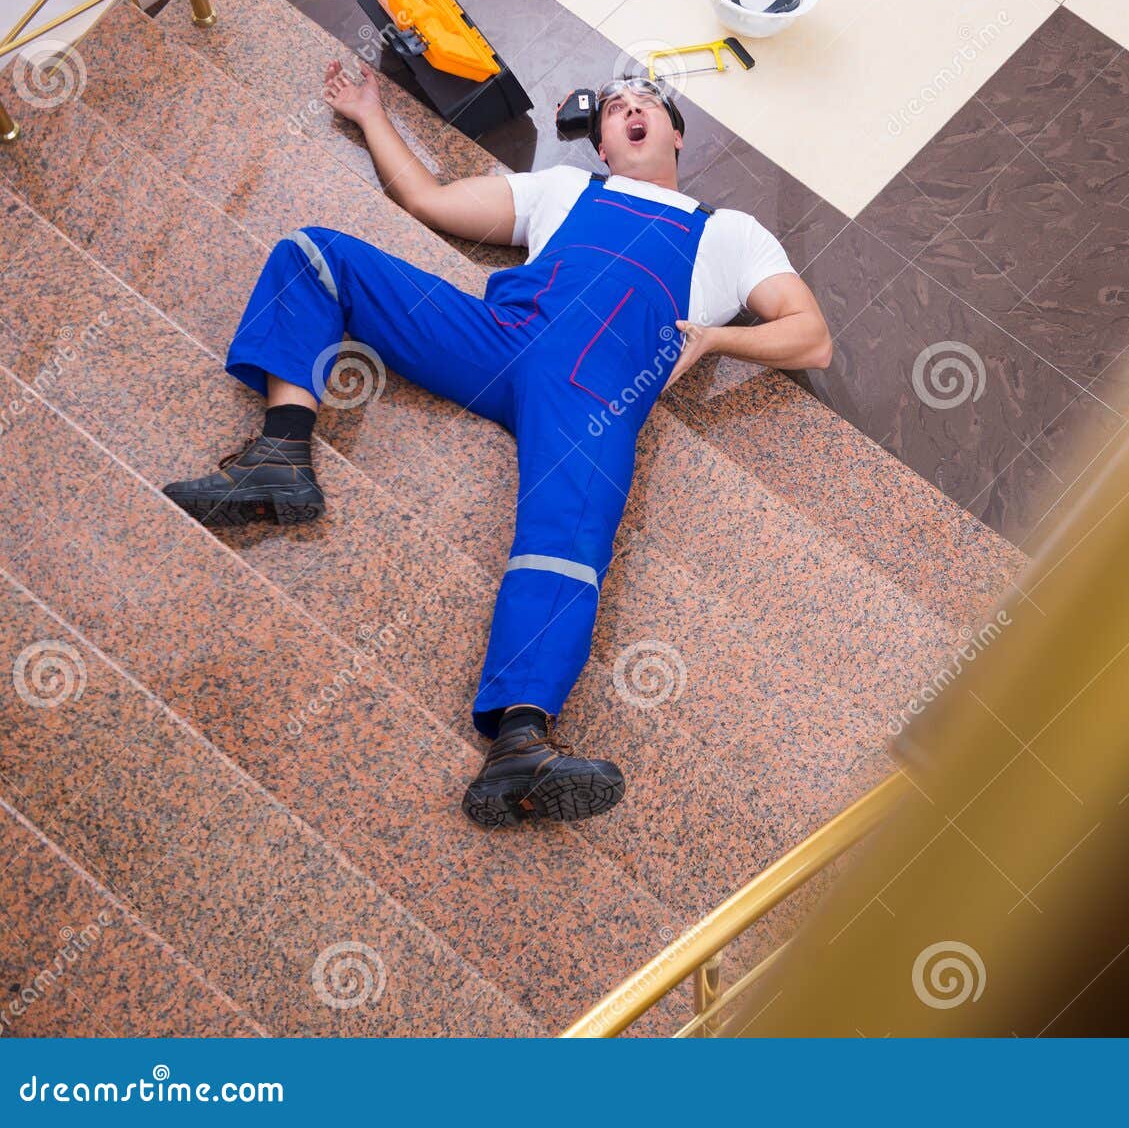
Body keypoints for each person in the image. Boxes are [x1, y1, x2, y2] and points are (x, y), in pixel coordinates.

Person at [161, 63, 832, 828]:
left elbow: (811, 338)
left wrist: (715, 340)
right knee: (316, 256)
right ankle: (279, 457)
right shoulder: (562, 190)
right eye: (615, 109)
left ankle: (521, 742)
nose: (630, 111)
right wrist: (371, 112)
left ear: (676, 133)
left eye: (646, 104)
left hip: (592, 392)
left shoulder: (730, 234)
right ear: (604, 143)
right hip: (497, 340)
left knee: (565, 545)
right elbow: (428, 201)